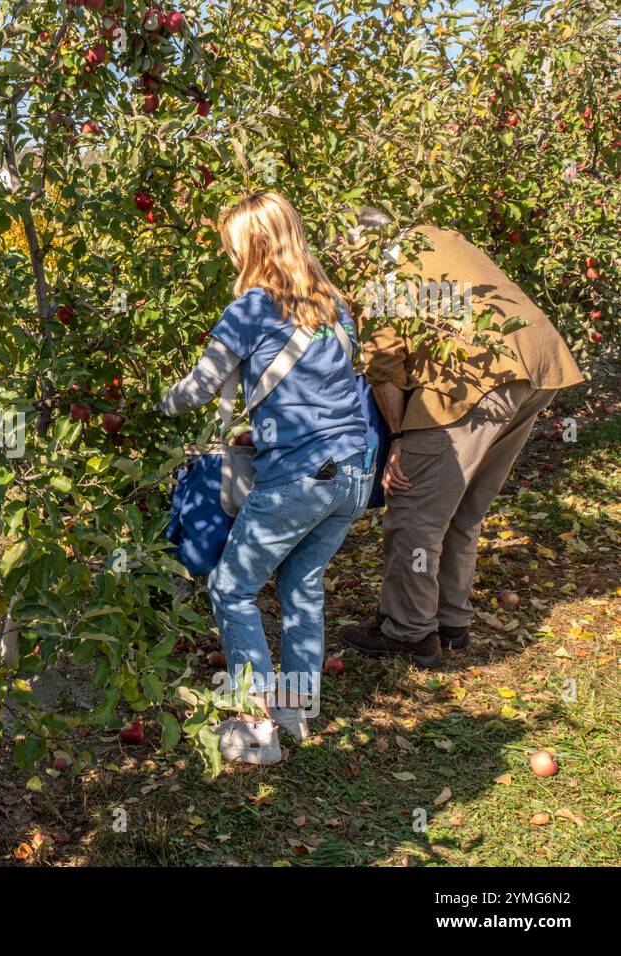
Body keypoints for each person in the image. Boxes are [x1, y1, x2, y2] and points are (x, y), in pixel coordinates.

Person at [158, 193, 372, 765]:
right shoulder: (333, 306)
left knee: (231, 587)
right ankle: (294, 712)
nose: (228, 253)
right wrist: (270, 429)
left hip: (301, 478)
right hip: (354, 472)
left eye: (232, 242)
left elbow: (198, 389)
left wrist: (159, 403)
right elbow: (325, 394)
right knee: (301, 588)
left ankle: (255, 728)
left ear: (250, 245)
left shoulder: (251, 308)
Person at [338, 219, 583, 665]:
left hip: (472, 379)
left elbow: (384, 364)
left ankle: (410, 632)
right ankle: (450, 619)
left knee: (416, 512)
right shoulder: (434, 237)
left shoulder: (378, 270)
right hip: (535, 364)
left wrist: (397, 439)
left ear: (356, 246)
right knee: (464, 507)